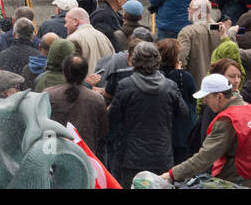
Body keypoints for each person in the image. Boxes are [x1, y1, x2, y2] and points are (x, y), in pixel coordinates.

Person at [107, 41, 187, 186]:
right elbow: (183, 113)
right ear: (157, 61)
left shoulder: (125, 86)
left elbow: (113, 118)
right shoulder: (170, 86)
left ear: (134, 61)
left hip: (131, 156)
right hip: (162, 154)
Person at [164, 73, 251, 185]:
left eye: (207, 97)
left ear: (219, 97)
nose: (205, 101)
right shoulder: (247, 109)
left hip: (236, 180)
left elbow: (204, 158)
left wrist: (171, 174)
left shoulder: (226, 122)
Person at [46, 55, 107, 156]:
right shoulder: (97, 99)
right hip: (86, 155)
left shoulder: (48, 94)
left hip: (55, 153)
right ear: (85, 73)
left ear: (64, 72)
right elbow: (103, 132)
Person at [158, 38, 198, 165]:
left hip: (164, 131)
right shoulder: (184, 77)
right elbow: (193, 99)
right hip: (184, 130)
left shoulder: (158, 76)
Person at [177, 0, 222, 85]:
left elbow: (180, 58)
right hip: (218, 86)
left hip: (196, 86)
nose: (188, 10)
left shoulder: (187, 32)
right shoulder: (221, 30)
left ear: (199, 13)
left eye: (190, 8)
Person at [67, 7, 115, 72]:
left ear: (75, 21)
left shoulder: (73, 39)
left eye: (66, 21)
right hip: (104, 81)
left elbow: (71, 69)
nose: (65, 25)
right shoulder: (104, 37)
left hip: (85, 81)